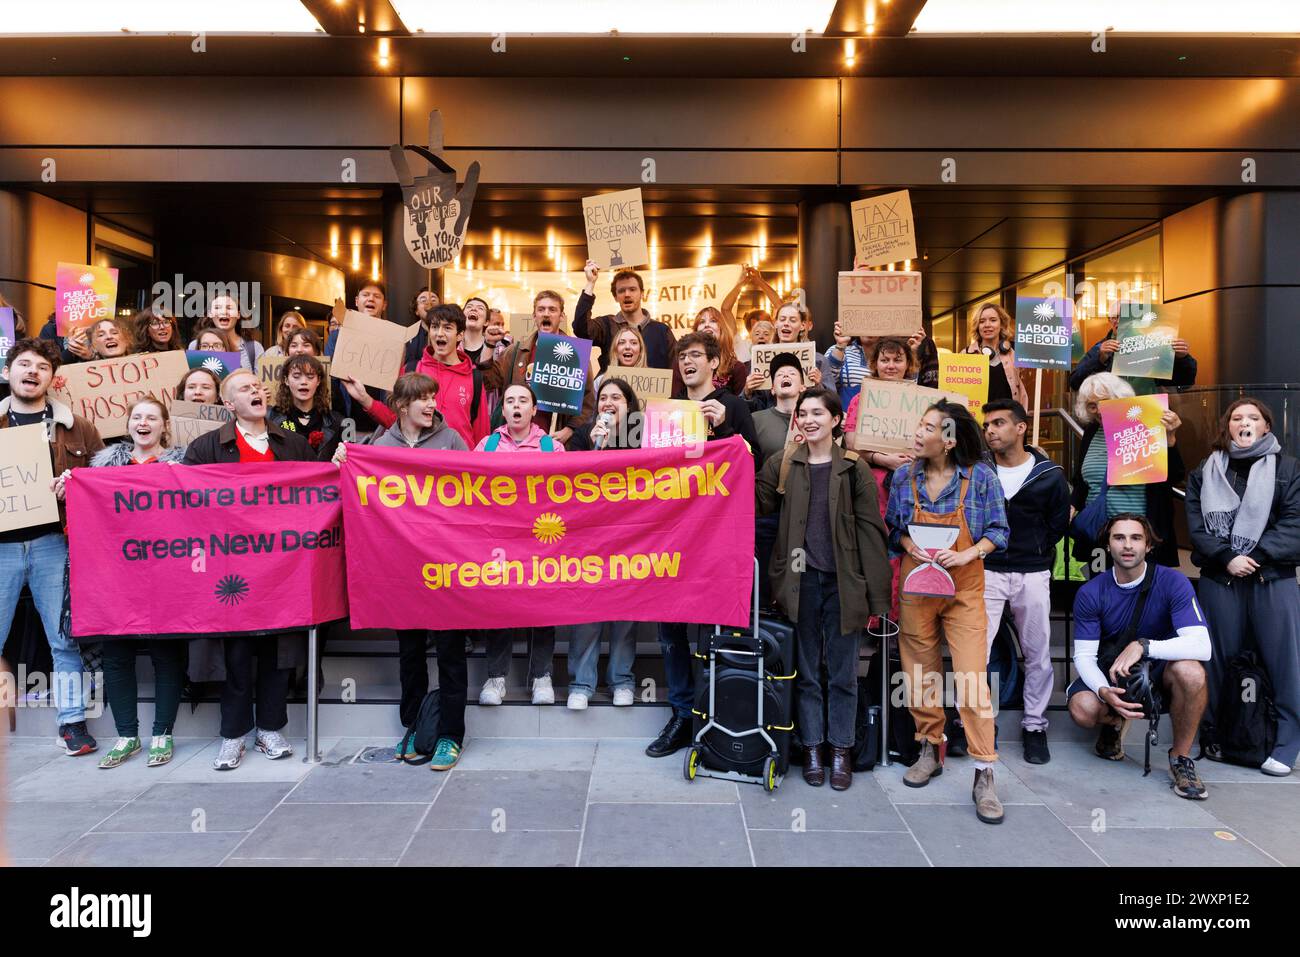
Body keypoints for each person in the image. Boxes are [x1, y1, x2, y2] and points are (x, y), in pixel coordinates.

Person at [756, 387, 891, 790]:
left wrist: (877, 595)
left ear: (836, 420)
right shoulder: (782, 464)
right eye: (803, 413)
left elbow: (871, 533)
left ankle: (840, 750)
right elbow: (755, 505)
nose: (809, 419)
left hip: (844, 585)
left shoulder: (854, 469)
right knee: (808, 672)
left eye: (818, 412)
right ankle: (812, 747)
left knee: (844, 674)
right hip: (800, 583)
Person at [334, 373, 470, 770]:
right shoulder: (381, 444)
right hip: (403, 570)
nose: (431, 406)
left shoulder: (452, 440)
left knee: (449, 653)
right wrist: (344, 460)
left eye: (433, 398)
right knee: (410, 653)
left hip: (447, 567)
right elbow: (362, 491)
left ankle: (449, 734)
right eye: (423, 400)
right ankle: (413, 725)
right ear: (401, 406)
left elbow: (478, 489)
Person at [182, 369, 315, 770]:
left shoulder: (292, 443)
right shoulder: (206, 446)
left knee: (278, 649)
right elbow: (181, 500)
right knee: (236, 652)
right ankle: (233, 734)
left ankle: (271, 728)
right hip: (231, 571)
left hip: (281, 568)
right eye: (244, 388)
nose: (256, 391)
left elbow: (317, 492)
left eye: (258, 386)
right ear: (228, 404)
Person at [886, 400, 1010, 823]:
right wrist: (909, 546)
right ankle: (929, 747)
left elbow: (999, 532)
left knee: (973, 677)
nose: (918, 433)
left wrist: (971, 553)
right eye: (919, 425)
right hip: (917, 583)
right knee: (919, 670)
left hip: (965, 586)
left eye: (927, 427)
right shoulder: (904, 476)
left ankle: (984, 770)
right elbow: (896, 529)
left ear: (950, 437)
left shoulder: (981, 479)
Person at [646, 332, 763, 759]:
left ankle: (714, 714)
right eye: (682, 356)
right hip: (671, 535)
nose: (687, 362)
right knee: (670, 631)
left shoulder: (732, 405)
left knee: (714, 629)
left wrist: (726, 428)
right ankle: (680, 714)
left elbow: (756, 464)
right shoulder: (665, 411)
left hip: (714, 538)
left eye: (696, 355)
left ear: (715, 364)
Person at [60, 397, 187, 768]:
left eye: (151, 417)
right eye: (137, 417)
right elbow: (85, 525)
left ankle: (163, 733)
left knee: (167, 654)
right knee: (116, 656)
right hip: (115, 578)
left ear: (165, 425)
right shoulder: (99, 469)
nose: (143, 422)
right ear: (128, 425)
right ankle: (127, 736)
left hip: (167, 575)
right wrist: (72, 492)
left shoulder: (183, 467)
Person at [0, 339, 104, 755]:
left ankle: (72, 723)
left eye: (41, 367)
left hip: (52, 543)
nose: (31, 372)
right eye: (23, 364)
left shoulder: (78, 427)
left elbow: (103, 482)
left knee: (64, 638)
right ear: (8, 371)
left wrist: (74, 488)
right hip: (2, 547)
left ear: (52, 377)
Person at [1186, 398, 1299, 776]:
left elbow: (1294, 523)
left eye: (1253, 418)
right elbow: (1196, 525)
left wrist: (1257, 555)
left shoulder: (1288, 469)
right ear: (1227, 427)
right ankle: (1213, 733)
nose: (1245, 423)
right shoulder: (1206, 470)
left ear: (1267, 427)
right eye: (1237, 418)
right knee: (1215, 660)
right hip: (1221, 577)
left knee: (1283, 663)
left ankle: (1285, 744)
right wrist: (1226, 557)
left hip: (1272, 578)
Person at [1068, 514, 1212, 799]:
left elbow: (1202, 646)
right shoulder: (1091, 592)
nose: (1127, 545)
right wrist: (1103, 690)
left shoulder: (1173, 582)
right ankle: (1113, 722)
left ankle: (1180, 758)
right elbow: (1084, 655)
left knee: (1192, 672)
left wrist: (1145, 646)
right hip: (1113, 672)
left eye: (1136, 538)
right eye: (1119, 538)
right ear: (1108, 545)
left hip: (1160, 671)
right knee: (1083, 708)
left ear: (1148, 546)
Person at [980, 398, 1071, 764]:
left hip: (1032, 573)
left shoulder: (1050, 475)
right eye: (987, 425)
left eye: (999, 423)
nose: (990, 430)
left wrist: (1035, 552)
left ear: (1021, 428)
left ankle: (1035, 726)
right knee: (976, 655)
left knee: (1037, 653)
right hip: (986, 571)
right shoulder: (979, 470)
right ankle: (980, 724)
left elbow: (1057, 524)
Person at [474, 384, 565, 706]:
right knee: (499, 609)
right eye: (510, 400)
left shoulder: (551, 447)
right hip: (498, 542)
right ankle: (496, 678)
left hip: (541, 542)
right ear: (503, 409)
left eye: (522, 400)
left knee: (542, 609)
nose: (515, 405)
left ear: (533, 409)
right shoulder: (487, 445)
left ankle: (542, 677)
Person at [564, 378, 641, 709]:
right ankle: (582, 682)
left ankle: (622, 679)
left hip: (630, 536)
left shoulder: (641, 437)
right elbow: (565, 482)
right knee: (587, 609)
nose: (609, 402)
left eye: (617, 397)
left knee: (625, 611)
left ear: (630, 405)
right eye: (604, 397)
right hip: (589, 537)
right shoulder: (583, 435)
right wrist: (595, 448)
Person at [1070, 372, 1184, 568]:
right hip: (1100, 533)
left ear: (1120, 399)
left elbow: (1174, 476)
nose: (1098, 410)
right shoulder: (1091, 432)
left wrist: (1170, 441)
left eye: (1105, 402)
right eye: (1091, 405)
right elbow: (1082, 481)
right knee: (1103, 592)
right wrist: (1073, 505)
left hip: (1142, 535)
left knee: (1145, 594)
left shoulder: (1147, 424)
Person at [844, 336, 919, 621]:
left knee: (906, 548)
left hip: (912, 485)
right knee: (876, 547)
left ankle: (903, 617)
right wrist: (882, 459)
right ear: (874, 364)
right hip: (873, 486)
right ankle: (876, 618)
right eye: (885, 360)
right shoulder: (861, 398)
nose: (891, 365)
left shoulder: (920, 397)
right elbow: (851, 443)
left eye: (897, 359)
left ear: (908, 364)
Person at [484, 290, 595, 445]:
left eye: (552, 309)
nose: (546, 314)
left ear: (561, 316)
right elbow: (489, 382)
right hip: (517, 441)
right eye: (541, 309)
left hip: (554, 441)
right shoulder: (516, 352)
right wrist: (489, 345)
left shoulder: (575, 353)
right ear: (534, 315)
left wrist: (569, 430)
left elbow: (588, 400)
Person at [751, 353, 804, 607]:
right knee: (763, 579)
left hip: (803, 512)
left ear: (803, 387)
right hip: (767, 512)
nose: (785, 376)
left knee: (798, 579)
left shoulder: (814, 419)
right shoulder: (756, 420)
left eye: (792, 374)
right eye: (780, 375)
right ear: (772, 388)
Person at [408, 303, 492, 449]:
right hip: (420, 462)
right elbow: (393, 418)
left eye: (447, 328)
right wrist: (366, 400)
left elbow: (482, 434)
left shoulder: (474, 377)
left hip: (460, 464)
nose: (439, 333)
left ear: (460, 335)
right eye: (434, 327)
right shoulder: (412, 370)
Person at [1068, 301, 1197, 393]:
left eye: (1126, 318)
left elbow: (1185, 383)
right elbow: (1075, 383)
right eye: (1116, 317)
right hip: (1111, 415)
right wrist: (1099, 359)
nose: (1120, 321)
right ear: (1110, 321)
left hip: (1149, 411)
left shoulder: (1157, 345)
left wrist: (1182, 358)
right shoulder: (1100, 348)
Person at [575, 262, 675, 372]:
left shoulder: (661, 331)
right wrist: (590, 282)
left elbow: (675, 368)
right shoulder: (607, 325)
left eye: (632, 289)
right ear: (615, 297)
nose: (627, 294)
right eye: (621, 291)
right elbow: (581, 329)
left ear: (642, 293)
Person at [268, 354, 346, 461]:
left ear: (318, 381)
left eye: (310, 377)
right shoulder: (271, 419)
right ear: (286, 380)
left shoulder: (336, 421)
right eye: (296, 376)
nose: (304, 382)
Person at [962, 303, 1030, 407]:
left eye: (993, 320)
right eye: (982, 321)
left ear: (1002, 324)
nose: (987, 325)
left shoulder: (1015, 352)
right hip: (977, 419)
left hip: (1009, 418)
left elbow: (1025, 386)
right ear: (977, 326)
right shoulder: (966, 354)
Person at [188, 293, 263, 371]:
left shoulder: (255, 348)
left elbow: (260, 382)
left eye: (229, 308)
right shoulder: (195, 346)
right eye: (217, 307)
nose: (224, 312)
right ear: (210, 313)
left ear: (238, 314)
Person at [593, 324, 647, 393]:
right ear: (615, 350)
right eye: (622, 342)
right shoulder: (600, 381)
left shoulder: (653, 383)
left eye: (633, 343)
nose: (627, 347)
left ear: (640, 350)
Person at [400, 287, 441, 371]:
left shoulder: (449, 334)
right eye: (423, 300)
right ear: (417, 311)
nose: (429, 303)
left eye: (433, 300)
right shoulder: (408, 336)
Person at [461, 296, 493, 365]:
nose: (473, 309)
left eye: (480, 308)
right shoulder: (451, 345)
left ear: (486, 322)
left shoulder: (496, 349)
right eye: (469, 307)